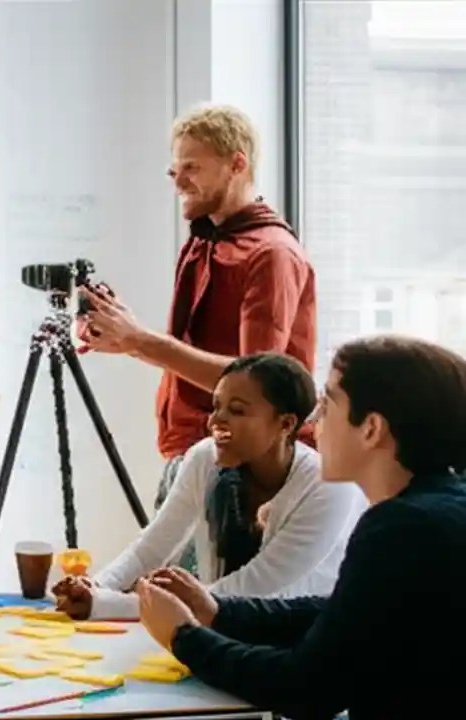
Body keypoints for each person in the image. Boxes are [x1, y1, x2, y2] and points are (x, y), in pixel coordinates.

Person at [136, 335, 466, 720]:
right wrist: (219, 611)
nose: (313, 421)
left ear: (372, 428)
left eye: (327, 405)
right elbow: (342, 614)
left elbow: (307, 687)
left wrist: (183, 637)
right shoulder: (439, 509)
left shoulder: (402, 527)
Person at [78, 104, 317, 573]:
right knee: (167, 602)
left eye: (192, 167)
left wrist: (141, 341)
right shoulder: (202, 243)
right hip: (189, 451)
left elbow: (256, 387)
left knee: (197, 616)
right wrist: (123, 335)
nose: (178, 180)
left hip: (237, 465)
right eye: (174, 168)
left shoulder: (271, 254)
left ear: (237, 164)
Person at [51, 353, 365, 621]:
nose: (216, 421)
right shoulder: (205, 458)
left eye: (237, 410)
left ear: (285, 424)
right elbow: (153, 545)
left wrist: (109, 605)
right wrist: (94, 588)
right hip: (220, 627)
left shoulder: (329, 487)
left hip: (300, 641)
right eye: (216, 406)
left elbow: (256, 589)